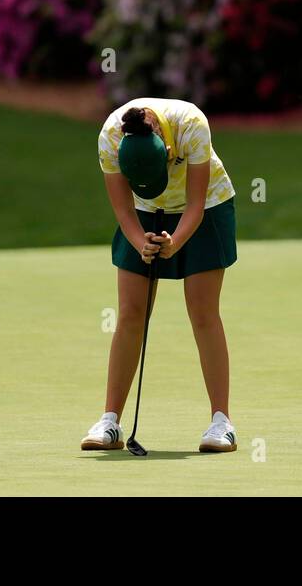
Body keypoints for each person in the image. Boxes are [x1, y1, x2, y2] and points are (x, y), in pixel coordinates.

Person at [80, 97, 238, 453]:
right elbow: (122, 209)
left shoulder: (192, 125)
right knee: (131, 312)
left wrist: (174, 242)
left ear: (168, 149)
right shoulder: (110, 137)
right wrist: (141, 243)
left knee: (203, 311)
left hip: (207, 207)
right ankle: (110, 421)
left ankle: (221, 423)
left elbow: (195, 205)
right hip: (143, 211)